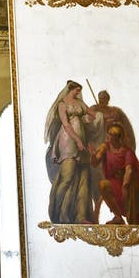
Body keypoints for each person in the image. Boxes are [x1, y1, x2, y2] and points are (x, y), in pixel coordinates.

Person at [45, 80, 103, 224]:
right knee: (67, 177)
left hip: (81, 141)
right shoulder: (62, 104)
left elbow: (94, 114)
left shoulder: (81, 104)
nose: (78, 93)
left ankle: (81, 216)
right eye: (77, 90)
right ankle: (57, 215)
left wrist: (103, 116)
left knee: (84, 178)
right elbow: (65, 124)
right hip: (68, 141)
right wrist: (77, 140)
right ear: (70, 89)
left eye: (79, 91)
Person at [91, 123, 139, 225]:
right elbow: (95, 162)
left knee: (137, 216)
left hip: (129, 184)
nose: (108, 136)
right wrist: (93, 155)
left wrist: (125, 187)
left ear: (118, 138)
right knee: (103, 185)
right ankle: (118, 217)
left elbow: (129, 170)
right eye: (108, 133)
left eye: (112, 134)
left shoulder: (127, 152)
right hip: (114, 183)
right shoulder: (105, 147)